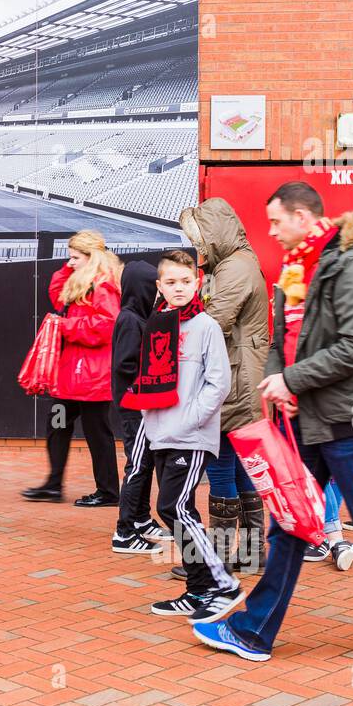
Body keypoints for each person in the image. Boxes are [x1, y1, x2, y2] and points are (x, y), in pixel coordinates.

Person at [192, 181, 353, 665]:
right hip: (311, 417)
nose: (271, 231)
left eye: (276, 221)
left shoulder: (352, 262)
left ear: (303, 218)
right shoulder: (296, 266)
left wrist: (293, 380)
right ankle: (252, 631)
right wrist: (275, 381)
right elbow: (281, 338)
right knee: (290, 521)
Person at [125, 250, 244, 623]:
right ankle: (198, 590)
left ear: (199, 283)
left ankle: (224, 585)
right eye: (171, 282)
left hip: (190, 436)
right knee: (176, 509)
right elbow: (147, 381)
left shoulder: (206, 326)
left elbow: (218, 384)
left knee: (174, 507)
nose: (179, 288)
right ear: (159, 286)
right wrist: (151, 425)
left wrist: (189, 422)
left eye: (186, 281)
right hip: (160, 432)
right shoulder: (158, 324)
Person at [179, 198, 270, 574]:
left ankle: (215, 558)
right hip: (240, 374)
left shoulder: (235, 269)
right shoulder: (239, 263)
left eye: (199, 237)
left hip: (232, 375)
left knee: (219, 463)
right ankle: (251, 552)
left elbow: (213, 324)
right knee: (238, 463)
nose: (196, 246)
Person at [268, 236, 353, 571]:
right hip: (297, 391)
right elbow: (283, 338)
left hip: (313, 395)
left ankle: (328, 537)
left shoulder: (326, 285)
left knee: (308, 470)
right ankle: (331, 538)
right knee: (308, 471)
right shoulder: (291, 281)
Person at [22, 231, 123, 506]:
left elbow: (107, 326)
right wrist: (68, 267)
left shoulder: (103, 285)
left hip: (92, 377)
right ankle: (54, 484)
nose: (71, 262)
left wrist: (66, 327)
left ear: (91, 258)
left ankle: (108, 492)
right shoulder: (83, 280)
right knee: (57, 423)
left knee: (97, 433)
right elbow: (58, 296)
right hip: (75, 375)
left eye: (75, 258)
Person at [109, 259, 171, 553]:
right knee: (137, 465)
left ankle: (141, 519)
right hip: (135, 406)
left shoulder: (138, 317)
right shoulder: (131, 320)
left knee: (144, 463)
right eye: (153, 288)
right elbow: (125, 365)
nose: (157, 295)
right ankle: (124, 531)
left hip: (141, 404)